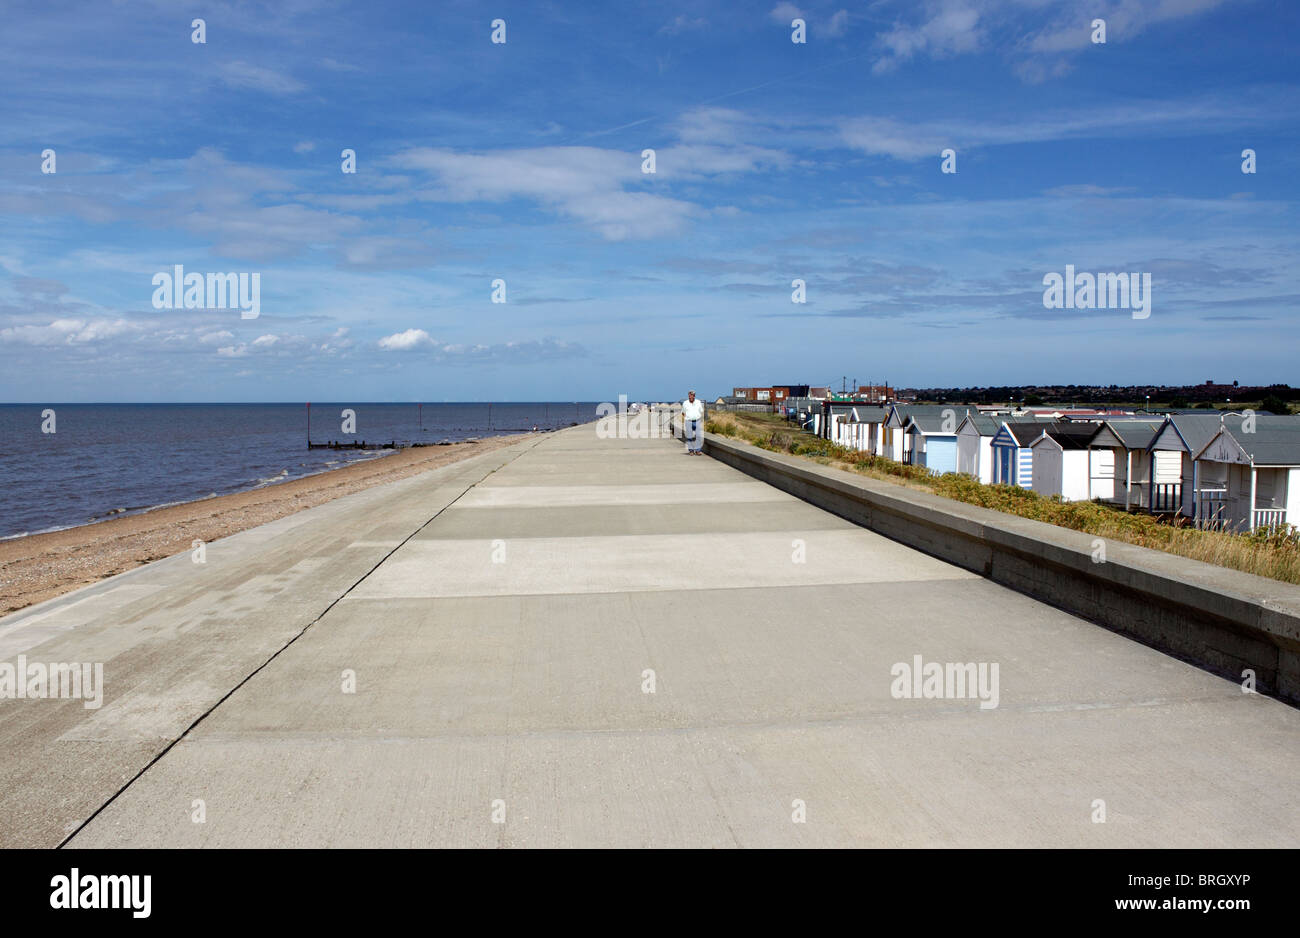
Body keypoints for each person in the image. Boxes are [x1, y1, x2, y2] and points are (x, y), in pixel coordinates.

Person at [681, 390, 705, 455]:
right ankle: (691, 450)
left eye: (692, 395)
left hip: (697, 421)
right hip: (688, 421)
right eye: (689, 395)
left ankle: (698, 450)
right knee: (689, 437)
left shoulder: (698, 402)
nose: (690, 396)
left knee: (698, 436)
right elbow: (683, 412)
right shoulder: (685, 403)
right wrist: (687, 418)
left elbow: (701, 411)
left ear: (694, 396)